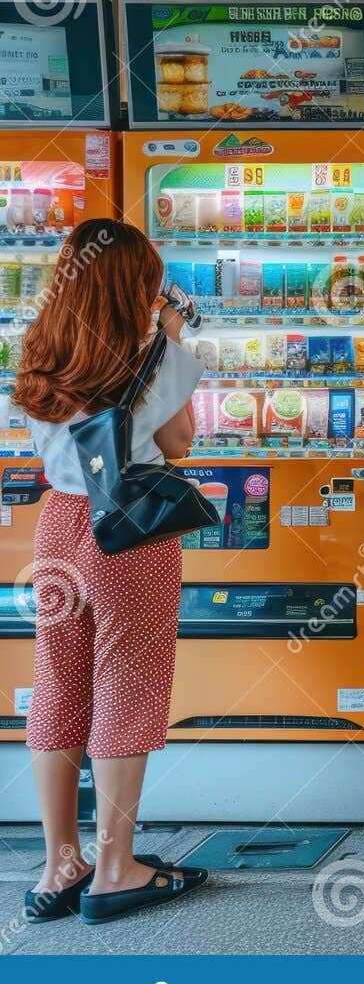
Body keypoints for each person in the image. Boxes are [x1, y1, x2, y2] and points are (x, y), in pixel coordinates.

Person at [13, 219, 209, 925]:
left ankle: (61, 862)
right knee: (128, 682)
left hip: (60, 521)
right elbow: (179, 444)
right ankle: (117, 865)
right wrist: (173, 337)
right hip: (128, 529)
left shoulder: (41, 345)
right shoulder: (150, 351)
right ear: (136, 282)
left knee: (58, 682)